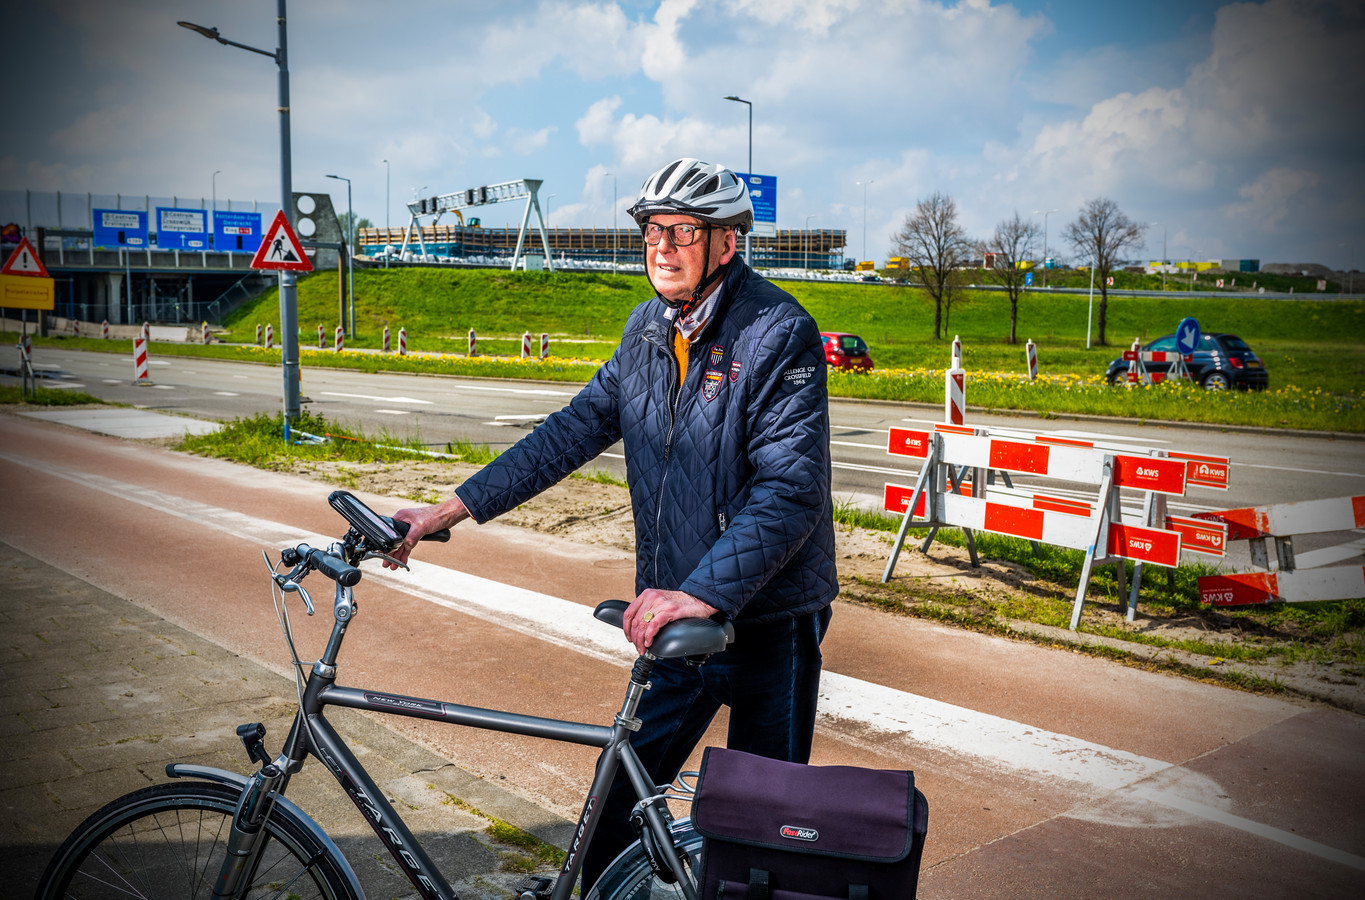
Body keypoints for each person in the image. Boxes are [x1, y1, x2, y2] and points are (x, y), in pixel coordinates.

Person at [388, 157, 837, 889]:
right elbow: (570, 433)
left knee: (763, 821)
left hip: (767, 619)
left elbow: (790, 491)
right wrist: (446, 511)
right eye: (651, 230)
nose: (662, 245)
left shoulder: (777, 331)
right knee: (622, 786)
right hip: (674, 608)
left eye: (683, 230)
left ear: (727, 242)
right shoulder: (646, 330)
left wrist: (704, 593)